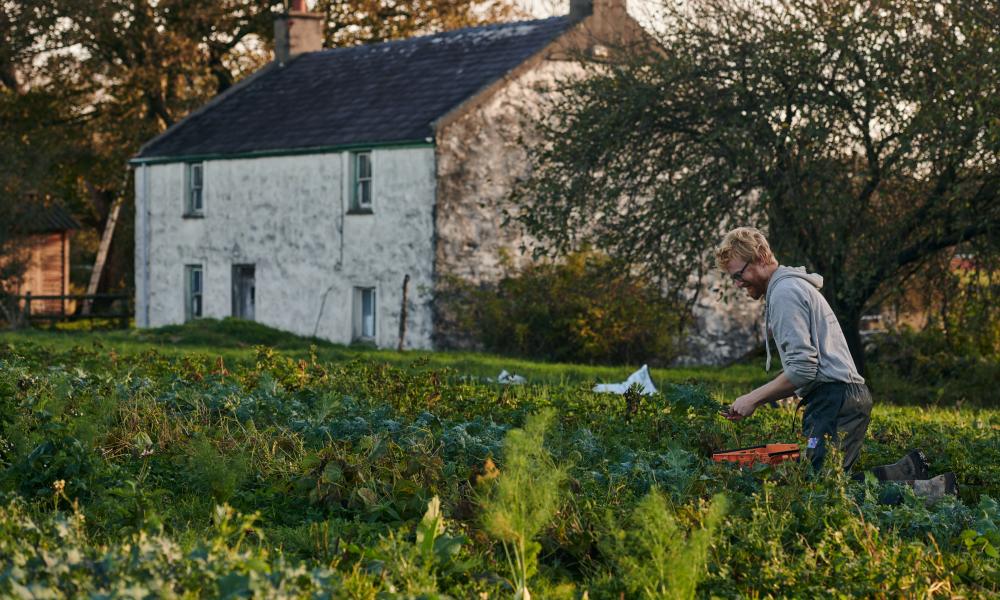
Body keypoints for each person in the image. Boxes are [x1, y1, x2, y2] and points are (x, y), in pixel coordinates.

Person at [714, 227, 874, 472]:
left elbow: (803, 370)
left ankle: (923, 487)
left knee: (822, 489)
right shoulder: (788, 288)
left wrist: (752, 399)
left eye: (739, 274)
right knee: (830, 484)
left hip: (835, 399)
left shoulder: (785, 293)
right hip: (838, 398)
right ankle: (917, 476)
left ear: (759, 257)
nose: (737, 284)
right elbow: (805, 366)